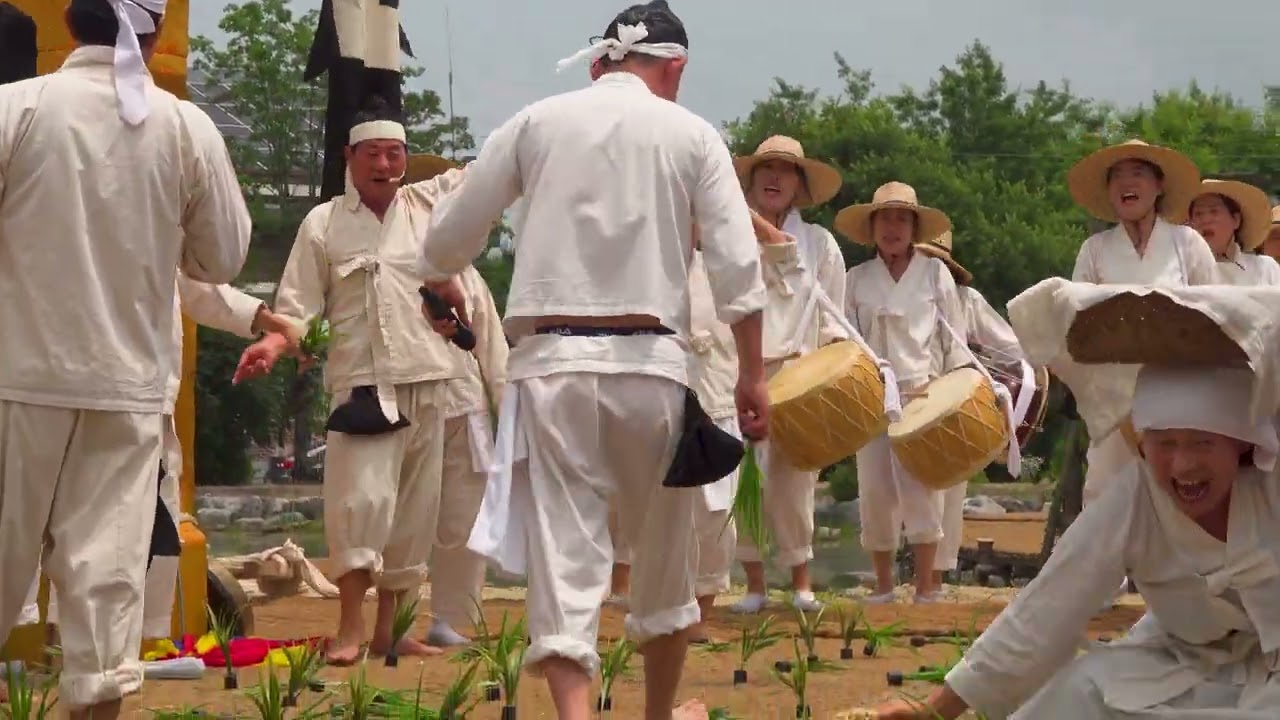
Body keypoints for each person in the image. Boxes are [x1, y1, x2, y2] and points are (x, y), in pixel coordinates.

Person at [415, 3, 770, 718]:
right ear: (675, 68)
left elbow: (445, 240)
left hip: (552, 369)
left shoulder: (536, 121)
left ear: (601, 61)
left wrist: (439, 278)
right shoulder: (693, 133)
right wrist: (753, 374)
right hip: (654, 371)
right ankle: (659, 714)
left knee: (567, 558)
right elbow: (738, 268)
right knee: (664, 563)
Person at [0, 0, 251, 714]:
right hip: (128, 390)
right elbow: (222, 256)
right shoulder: (182, 127)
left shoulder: (15, 106)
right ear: (153, 34)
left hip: (17, 378)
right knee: (106, 594)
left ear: (72, 24)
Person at [874, 280, 1280, 720]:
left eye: (1202, 444)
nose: (1182, 466)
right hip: (1178, 664)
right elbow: (1049, 606)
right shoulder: (1138, 497)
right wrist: (935, 711)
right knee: (1074, 695)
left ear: (1240, 442)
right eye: (1165, 444)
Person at [18, 277, 300, 644]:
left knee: (125, 542)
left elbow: (191, 281)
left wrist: (277, 325)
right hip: (73, 385)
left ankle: (87, 661)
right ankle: (77, 659)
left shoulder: (158, 228)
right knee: (56, 534)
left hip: (139, 394)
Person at [728, 135, 846, 615]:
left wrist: (834, 367)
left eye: (786, 170)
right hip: (740, 369)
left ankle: (801, 584)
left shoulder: (820, 243)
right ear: (752, 179)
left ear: (799, 185)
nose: (775, 177)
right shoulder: (728, 233)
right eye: (766, 168)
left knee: (796, 482)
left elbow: (835, 313)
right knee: (745, 480)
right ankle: (754, 586)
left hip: (801, 372)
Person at [837, 181, 968, 604]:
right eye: (884, 218)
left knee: (922, 490)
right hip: (871, 396)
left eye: (901, 218)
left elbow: (955, 342)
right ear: (872, 226)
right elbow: (843, 342)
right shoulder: (855, 278)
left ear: (914, 226)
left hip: (923, 393)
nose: (892, 227)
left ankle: (927, 585)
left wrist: (952, 394)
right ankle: (883, 585)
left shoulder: (935, 273)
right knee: (874, 490)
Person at [914, 230, 1028, 591]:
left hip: (956, 404)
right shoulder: (902, 298)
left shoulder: (966, 299)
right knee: (905, 493)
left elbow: (1012, 348)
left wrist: (984, 365)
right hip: (910, 402)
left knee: (948, 493)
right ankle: (917, 579)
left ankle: (935, 578)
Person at [424, 258, 508, 648]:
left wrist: (510, 416)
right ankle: (396, 615)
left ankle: (449, 618)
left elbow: (493, 351)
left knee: (464, 518)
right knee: (402, 521)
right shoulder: (395, 266)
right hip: (405, 408)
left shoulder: (469, 277)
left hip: (465, 406)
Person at [1185, 179, 1280, 286]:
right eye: (1198, 214)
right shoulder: (1184, 271)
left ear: (1236, 220)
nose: (1205, 220)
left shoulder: (1265, 268)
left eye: (1214, 212)